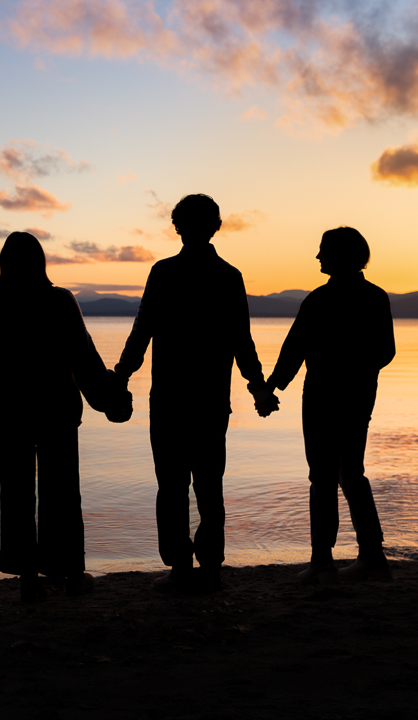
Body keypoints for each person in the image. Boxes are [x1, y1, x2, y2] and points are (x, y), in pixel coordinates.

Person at [0, 232, 131, 602]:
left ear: (4, 265)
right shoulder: (60, 301)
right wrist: (111, 400)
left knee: (17, 495)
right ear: (41, 263)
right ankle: (71, 574)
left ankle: (28, 579)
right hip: (56, 411)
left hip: (9, 414)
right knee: (62, 493)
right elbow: (85, 359)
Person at [114, 193, 277, 593]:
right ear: (216, 227)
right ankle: (211, 568)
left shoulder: (164, 272)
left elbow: (142, 331)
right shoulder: (228, 276)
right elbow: (243, 342)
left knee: (172, 486)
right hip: (210, 400)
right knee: (208, 484)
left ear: (177, 226)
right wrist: (257, 387)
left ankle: (181, 568)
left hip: (170, 399)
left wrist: (121, 375)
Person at [266, 227, 395, 585]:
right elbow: (384, 352)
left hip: (324, 395)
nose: (318, 256)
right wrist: (272, 386)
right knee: (350, 472)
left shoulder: (320, 299)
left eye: (323, 250)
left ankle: (324, 561)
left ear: (341, 255)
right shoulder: (374, 296)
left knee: (324, 476)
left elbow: (294, 348)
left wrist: (271, 387)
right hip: (358, 395)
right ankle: (372, 557)